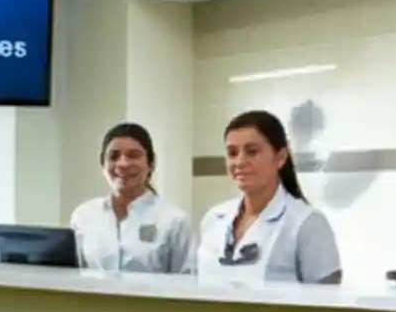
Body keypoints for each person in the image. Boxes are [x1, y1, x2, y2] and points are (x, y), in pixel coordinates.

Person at [196, 110, 342, 284]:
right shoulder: (213, 219)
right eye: (232, 153)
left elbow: (327, 304)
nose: (240, 162)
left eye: (252, 151)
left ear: (280, 158)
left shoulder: (308, 224)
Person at [69, 123, 195, 274]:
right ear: (103, 164)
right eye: (113, 156)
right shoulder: (84, 216)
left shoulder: (174, 220)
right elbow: (74, 277)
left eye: (133, 155)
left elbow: (186, 283)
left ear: (151, 164)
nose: (123, 164)